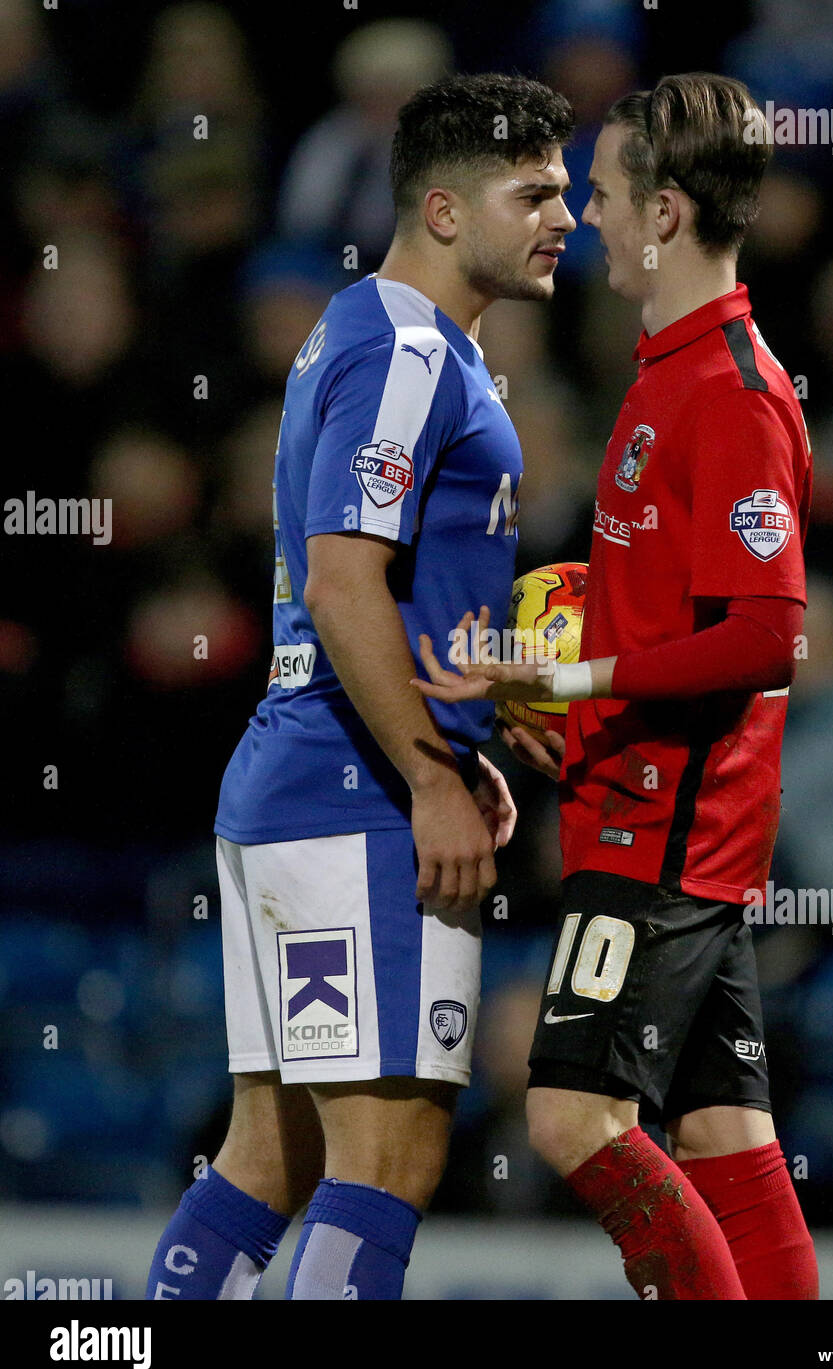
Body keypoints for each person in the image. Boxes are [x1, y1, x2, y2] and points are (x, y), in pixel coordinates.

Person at [146, 72, 575, 1301]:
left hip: (309, 778)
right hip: (351, 797)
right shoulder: (406, 348)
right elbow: (343, 587)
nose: (564, 216)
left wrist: (470, 721)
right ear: (443, 209)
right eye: (533, 191)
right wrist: (429, 775)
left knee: (267, 1155)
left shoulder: (370, 332)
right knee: (386, 1161)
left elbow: (379, 592)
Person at [413, 72, 818, 1300]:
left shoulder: (734, 393)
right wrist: (557, 685)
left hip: (668, 829)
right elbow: (672, 597)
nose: (582, 216)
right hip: (641, 808)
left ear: (666, 214)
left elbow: (762, 634)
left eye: (600, 192)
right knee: (723, 1145)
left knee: (568, 1119)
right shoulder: (666, 370)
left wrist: (578, 676)